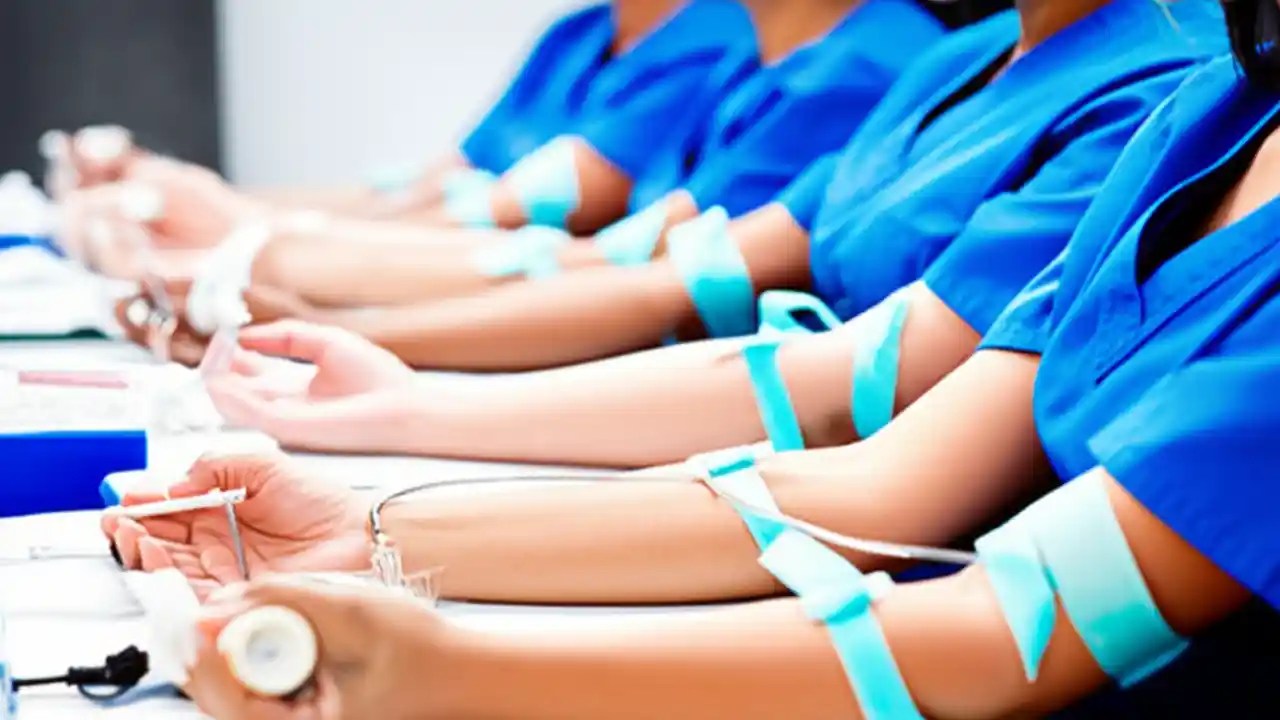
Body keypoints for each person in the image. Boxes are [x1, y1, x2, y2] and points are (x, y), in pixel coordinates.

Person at [106, 4, 1280, 716]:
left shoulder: (1111, 73)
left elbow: (1015, 627)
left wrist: (445, 666)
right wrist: (376, 531)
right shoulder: (1211, 105)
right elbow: (871, 468)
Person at [153, 0, 1222, 473]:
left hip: (826, 500)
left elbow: (859, 392)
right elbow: (656, 270)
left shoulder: (1153, 80)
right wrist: (293, 296)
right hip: (731, 448)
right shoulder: (962, 58)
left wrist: (298, 298)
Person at [85, 0, 949, 325]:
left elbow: (625, 265)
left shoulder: (856, 59)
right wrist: (244, 230)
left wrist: (267, 258)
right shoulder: (610, 36)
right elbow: (432, 189)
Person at [57, 0, 755, 238]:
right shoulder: (580, 33)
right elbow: (429, 185)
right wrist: (192, 193)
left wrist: (249, 237)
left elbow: (516, 212)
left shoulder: (716, 42)